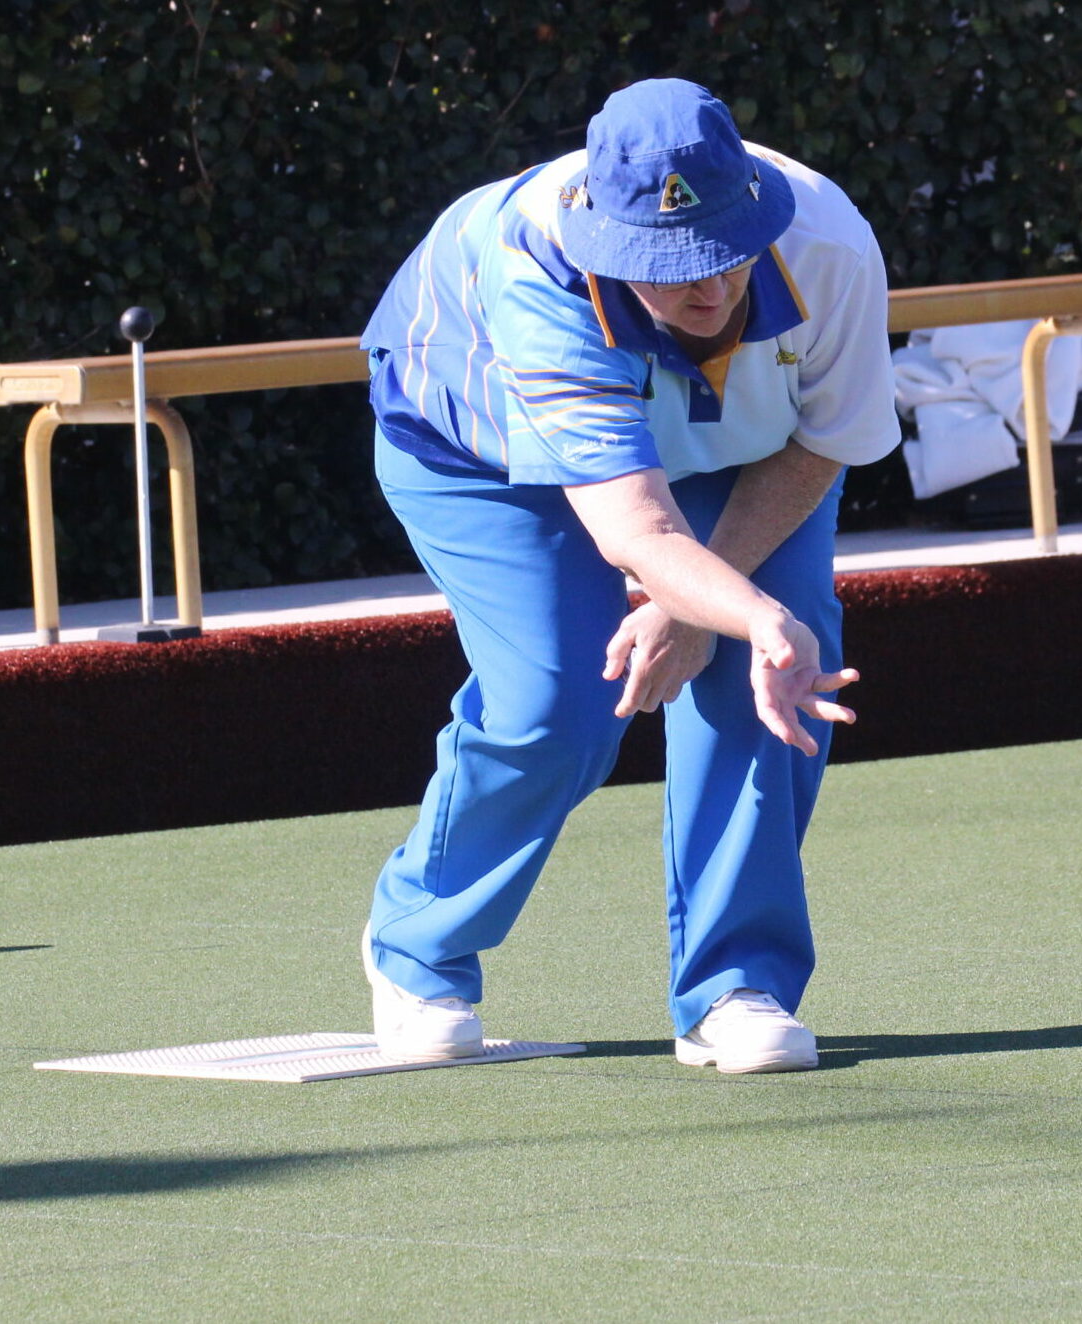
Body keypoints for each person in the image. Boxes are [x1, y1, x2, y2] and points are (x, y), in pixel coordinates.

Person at [357, 79, 896, 1073]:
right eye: (666, 263)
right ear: (604, 237)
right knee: (560, 697)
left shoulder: (830, 243)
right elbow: (637, 529)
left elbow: (826, 439)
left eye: (726, 250)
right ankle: (417, 948)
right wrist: (732, 610)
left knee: (764, 670)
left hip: (747, 452)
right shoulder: (534, 271)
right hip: (471, 449)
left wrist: (728, 614)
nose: (707, 287)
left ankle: (735, 986)